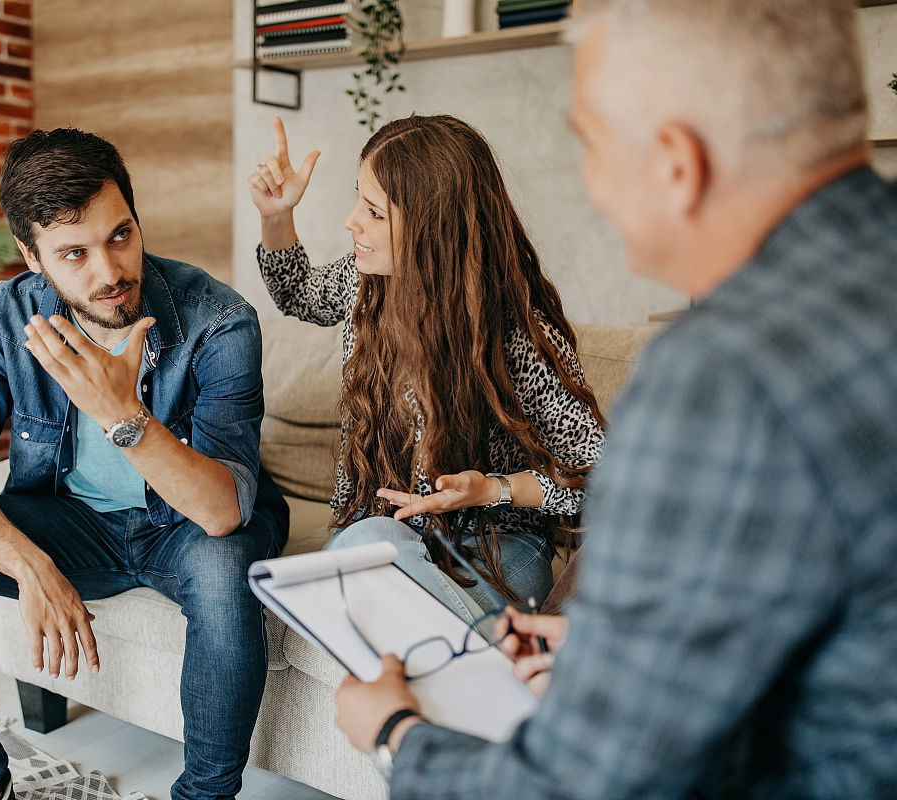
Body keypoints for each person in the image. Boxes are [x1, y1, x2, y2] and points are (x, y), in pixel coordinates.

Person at [334, 0, 897, 797]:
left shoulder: (719, 376)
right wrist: (617, 655)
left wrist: (397, 734)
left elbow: (581, 785)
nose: (592, 183)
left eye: (590, 144)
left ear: (676, 161)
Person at [0, 128, 288, 800]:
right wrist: (31, 564)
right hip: (71, 523)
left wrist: (123, 416)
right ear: (31, 255)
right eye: (74, 252)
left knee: (224, 568)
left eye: (120, 235)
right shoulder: (6, 316)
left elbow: (220, 511)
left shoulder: (219, 320)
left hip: (186, 525)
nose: (109, 272)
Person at [248, 114, 606, 621]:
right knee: (366, 545)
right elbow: (298, 292)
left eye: (374, 212)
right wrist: (276, 215)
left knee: (356, 574)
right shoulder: (365, 285)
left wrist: (492, 489)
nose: (350, 221)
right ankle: (502, 652)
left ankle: (489, 648)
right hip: (386, 536)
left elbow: (599, 476)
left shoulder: (516, 334)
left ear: (431, 229)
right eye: (359, 199)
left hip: (494, 550)